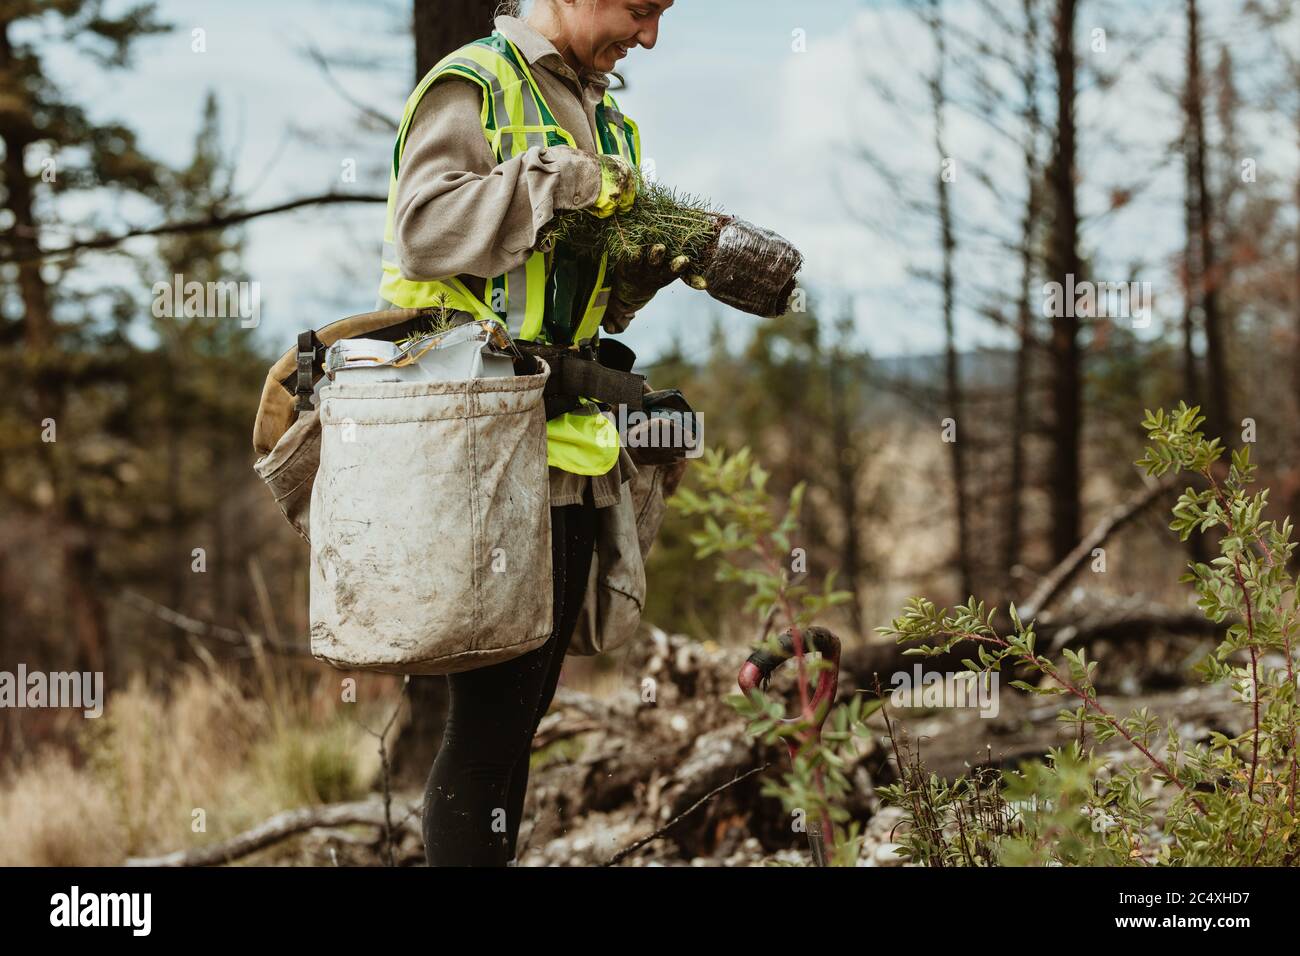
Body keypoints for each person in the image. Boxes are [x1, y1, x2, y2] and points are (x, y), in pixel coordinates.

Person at [377, 0, 681, 866]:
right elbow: (424, 230)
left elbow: (575, 292)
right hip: (474, 447)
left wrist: (643, 275)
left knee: (516, 724)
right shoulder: (473, 83)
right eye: (639, 9)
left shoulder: (606, 110)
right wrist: (563, 180)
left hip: (568, 445)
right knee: (484, 733)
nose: (649, 37)